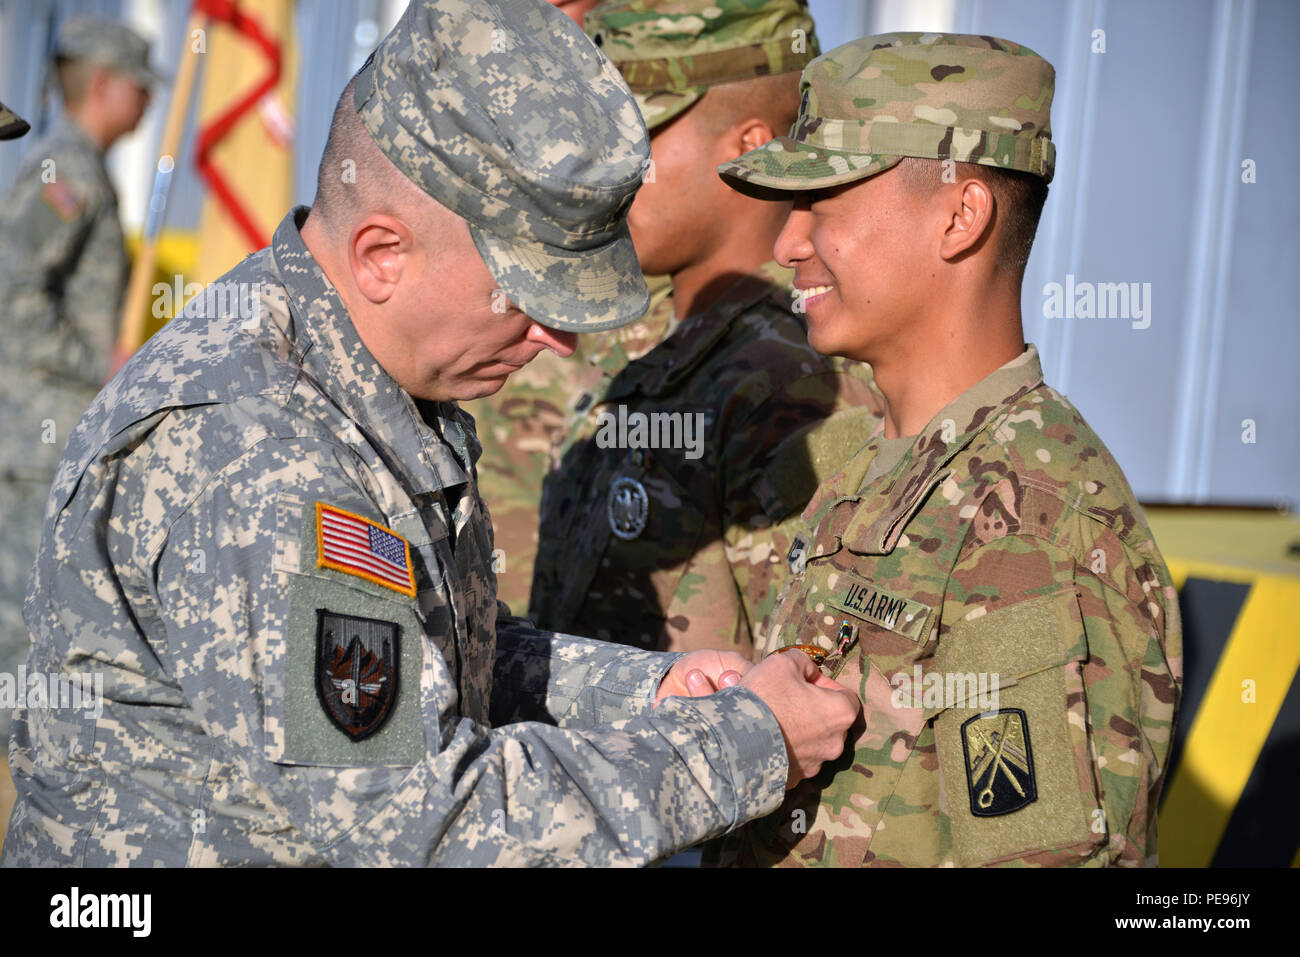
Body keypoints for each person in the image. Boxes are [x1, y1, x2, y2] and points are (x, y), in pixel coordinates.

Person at [2, 0, 859, 868]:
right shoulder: (259, 447)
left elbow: (430, 659)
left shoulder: (364, 374)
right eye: (524, 298)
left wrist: (653, 690)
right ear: (382, 254)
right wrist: (750, 744)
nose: (556, 340)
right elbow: (426, 822)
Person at [709, 32, 1182, 866]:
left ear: (960, 218)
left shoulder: (1032, 523)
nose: (787, 243)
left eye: (826, 200)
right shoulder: (865, 467)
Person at [528, 0, 883, 656]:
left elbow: (811, 687)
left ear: (750, 148)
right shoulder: (648, 347)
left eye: (634, 138)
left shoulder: (792, 383)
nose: (601, 170)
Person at [0, 17, 158, 745]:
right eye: (139, 86)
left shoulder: (83, 168)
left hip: (54, 432)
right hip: (32, 431)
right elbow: (12, 291)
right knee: (18, 616)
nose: (148, 102)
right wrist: (98, 365)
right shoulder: (62, 170)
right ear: (102, 83)